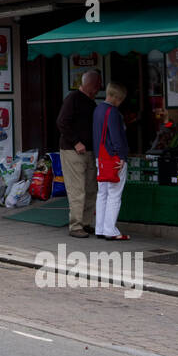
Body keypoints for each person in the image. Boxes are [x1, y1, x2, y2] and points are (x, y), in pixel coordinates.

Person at [56, 69, 102, 238]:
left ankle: (86, 222)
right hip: (73, 151)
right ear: (90, 84)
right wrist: (76, 142)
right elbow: (62, 122)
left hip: (89, 151)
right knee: (77, 189)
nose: (99, 88)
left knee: (91, 188)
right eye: (97, 85)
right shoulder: (73, 98)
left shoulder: (90, 102)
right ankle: (75, 226)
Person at [93, 82, 131, 242]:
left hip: (100, 157)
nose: (121, 102)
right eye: (121, 99)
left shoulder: (98, 109)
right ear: (116, 97)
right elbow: (116, 136)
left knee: (102, 193)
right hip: (113, 157)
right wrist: (121, 156)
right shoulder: (113, 112)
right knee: (115, 194)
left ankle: (100, 228)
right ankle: (110, 230)